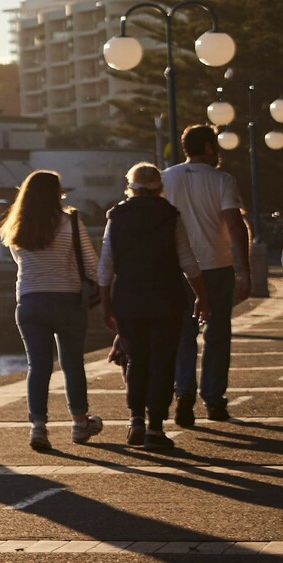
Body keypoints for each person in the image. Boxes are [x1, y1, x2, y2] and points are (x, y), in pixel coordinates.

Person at [0, 170, 106, 451]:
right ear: (57, 192)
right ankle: (80, 422)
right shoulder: (70, 221)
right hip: (67, 301)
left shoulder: (16, 225)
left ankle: (38, 426)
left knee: (38, 366)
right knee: (72, 364)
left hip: (30, 302)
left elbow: (21, 262)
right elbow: (92, 264)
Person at [100, 162, 196, 449]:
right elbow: (187, 260)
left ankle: (135, 421)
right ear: (159, 188)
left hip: (128, 299)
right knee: (162, 361)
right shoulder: (170, 215)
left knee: (136, 359)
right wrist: (201, 295)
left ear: (130, 188)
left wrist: (106, 306)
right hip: (166, 298)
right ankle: (155, 427)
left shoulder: (116, 217)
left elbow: (106, 266)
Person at [162, 124, 248, 427]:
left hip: (178, 270)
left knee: (183, 335)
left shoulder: (165, 179)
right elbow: (235, 226)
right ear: (210, 147)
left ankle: (184, 393)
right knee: (217, 335)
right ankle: (214, 400)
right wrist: (244, 271)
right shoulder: (223, 180)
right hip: (217, 266)